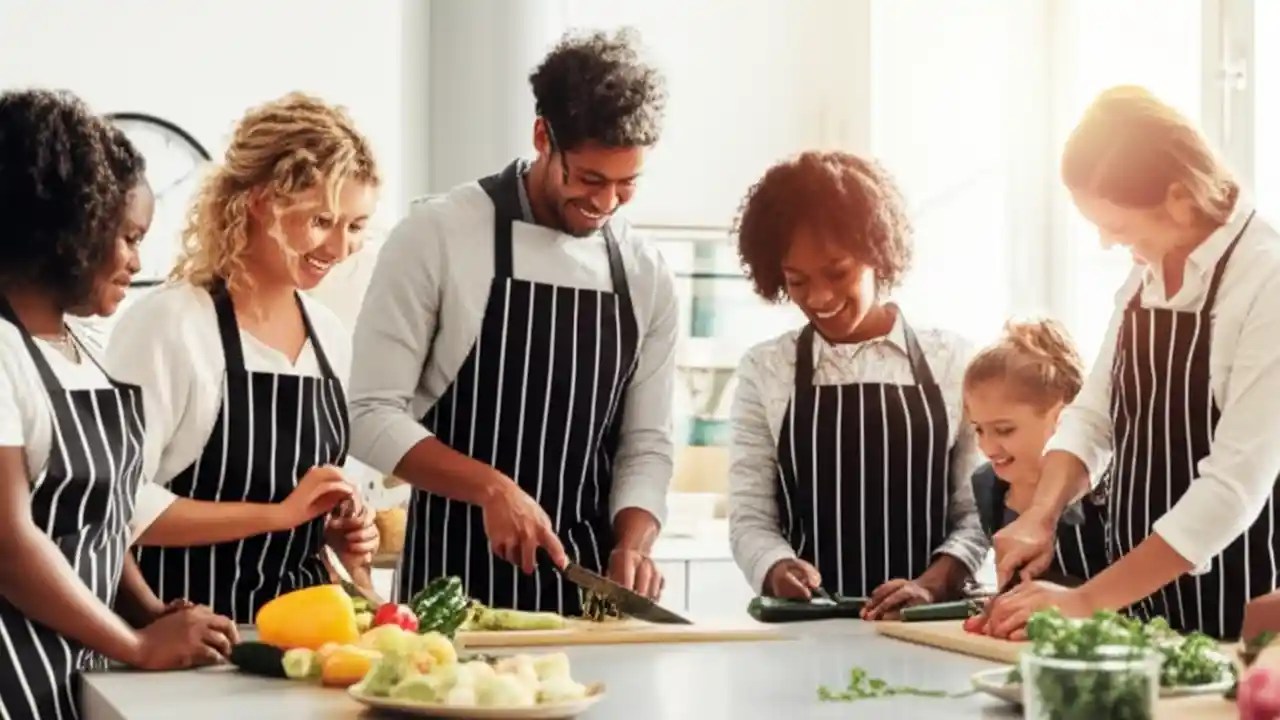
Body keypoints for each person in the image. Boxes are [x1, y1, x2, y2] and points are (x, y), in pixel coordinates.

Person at [348, 27, 677, 614]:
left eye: (627, 185)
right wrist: (492, 489)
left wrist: (634, 540)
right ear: (541, 136)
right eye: (590, 180)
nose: (605, 204)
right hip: (449, 595)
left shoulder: (646, 273)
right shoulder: (438, 235)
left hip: (586, 600)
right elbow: (369, 416)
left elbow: (646, 444)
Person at [988, 85, 1280, 641]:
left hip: (1241, 609)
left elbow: (1233, 489)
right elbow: (1095, 413)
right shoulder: (1149, 269)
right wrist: (1040, 516)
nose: (1104, 244)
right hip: (1136, 607)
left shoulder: (1267, 280)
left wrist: (1084, 601)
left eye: (1117, 227)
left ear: (1179, 198)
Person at [0, 88, 237, 720]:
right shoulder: (2, 351)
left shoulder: (76, 344)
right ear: (67, 230)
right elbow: (10, 540)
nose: (138, 260)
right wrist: (133, 643)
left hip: (77, 670)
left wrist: (149, 610)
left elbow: (94, 520)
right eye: (128, 238)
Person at [105, 92, 382, 623]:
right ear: (260, 201)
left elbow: (299, 507)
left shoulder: (328, 336)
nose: (341, 248)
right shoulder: (172, 325)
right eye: (321, 220)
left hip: (303, 642)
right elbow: (117, 505)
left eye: (355, 225)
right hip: (187, 635)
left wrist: (329, 527)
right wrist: (277, 516)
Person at [726, 150, 988, 619]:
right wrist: (775, 566)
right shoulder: (766, 368)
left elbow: (974, 512)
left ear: (879, 251)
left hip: (926, 626)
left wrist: (931, 584)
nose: (819, 297)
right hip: (808, 628)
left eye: (838, 272)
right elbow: (750, 518)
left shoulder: (953, 361)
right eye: (797, 281)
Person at [963, 318, 1109, 587]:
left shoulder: (1105, 490)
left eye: (1004, 430)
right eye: (979, 430)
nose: (987, 447)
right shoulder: (986, 485)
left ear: (1062, 418)